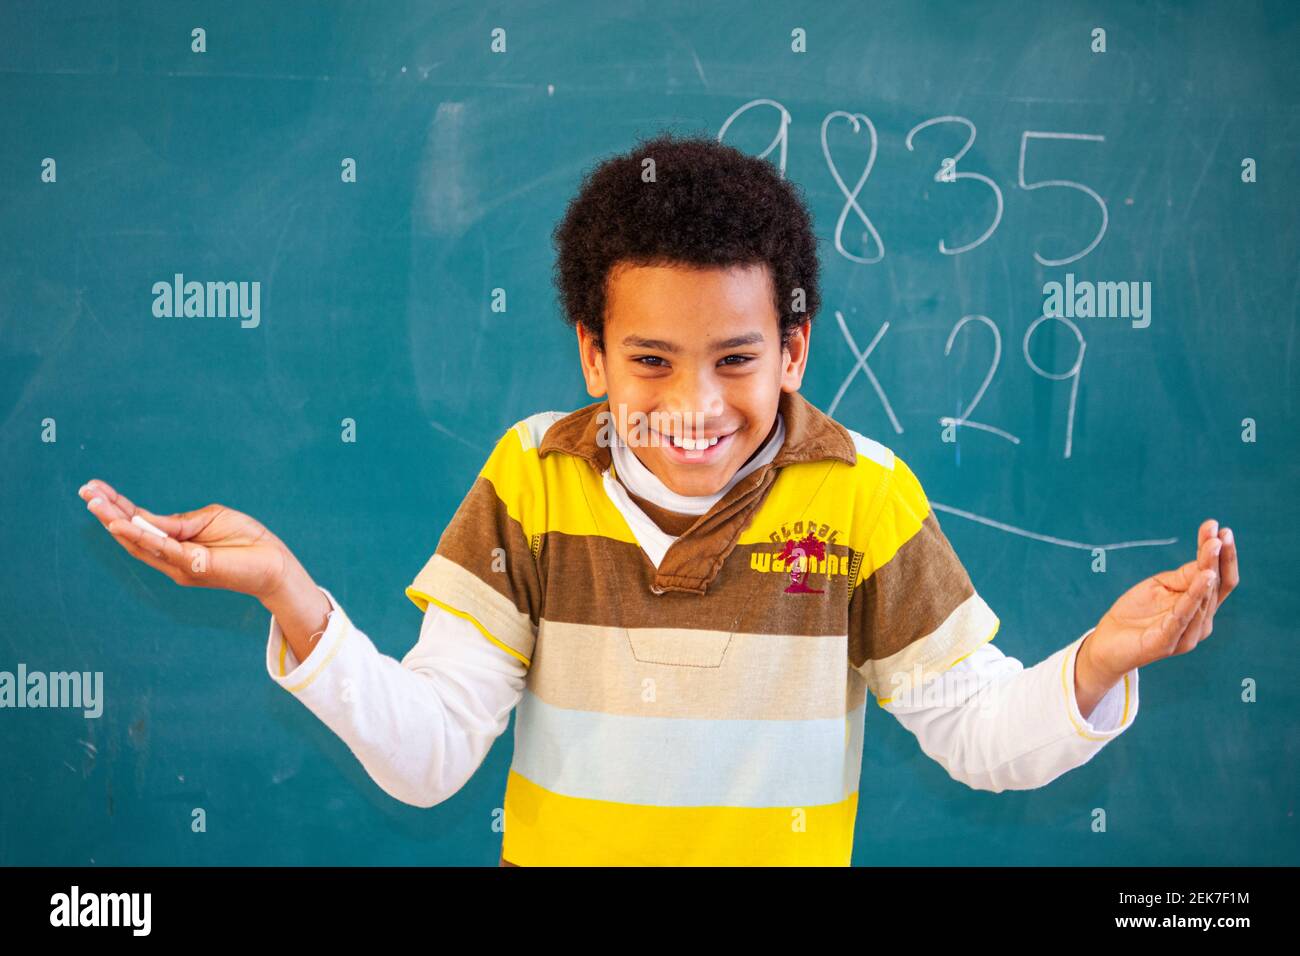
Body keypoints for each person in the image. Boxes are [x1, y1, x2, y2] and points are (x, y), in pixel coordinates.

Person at [78, 132, 1239, 866]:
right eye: (649, 360)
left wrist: (1096, 661)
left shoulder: (861, 493)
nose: (696, 403)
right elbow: (428, 756)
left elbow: (979, 733)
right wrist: (292, 595)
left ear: (793, 348)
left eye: (735, 358)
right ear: (590, 351)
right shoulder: (531, 477)